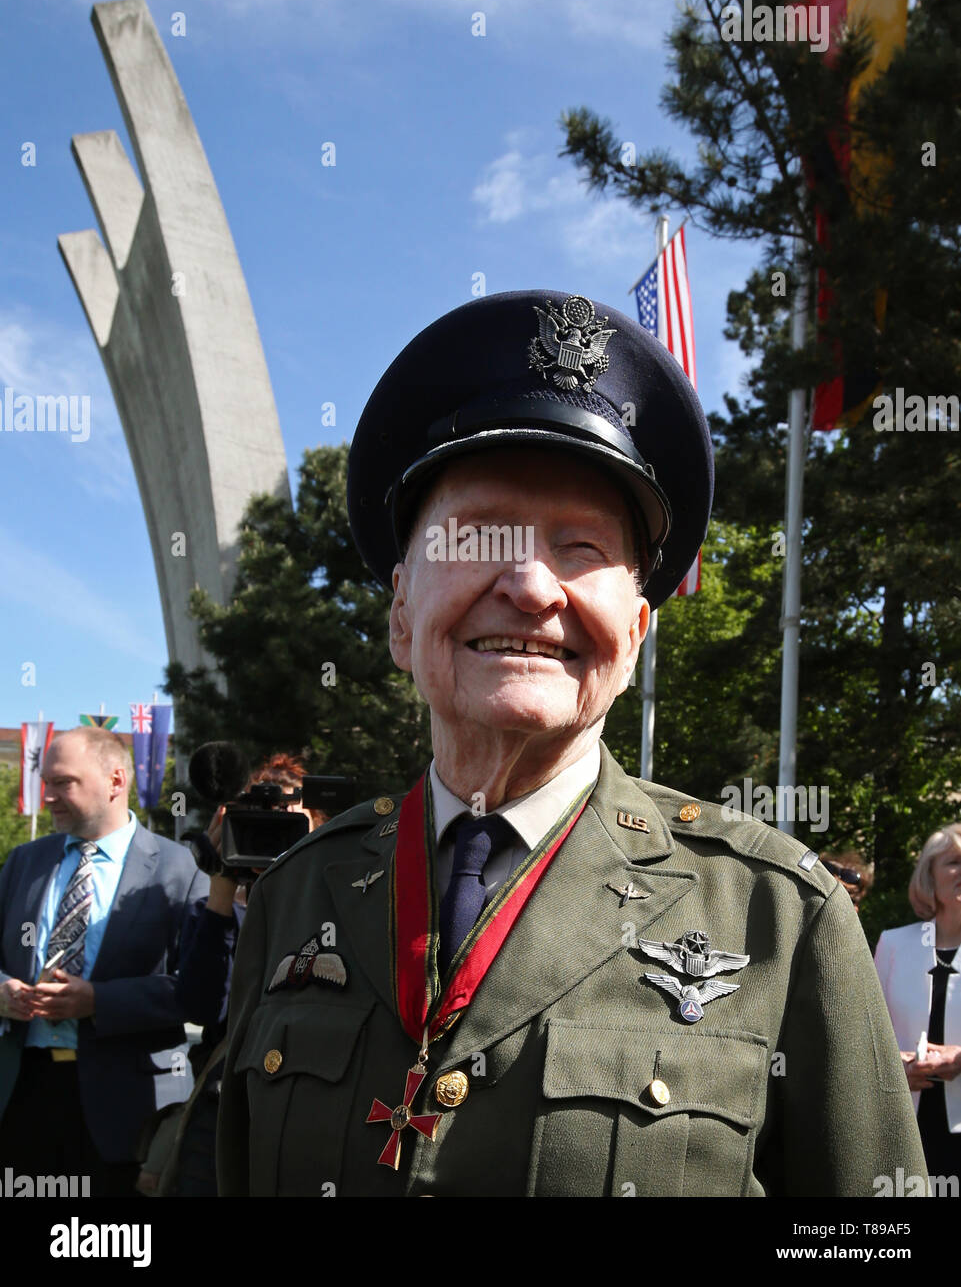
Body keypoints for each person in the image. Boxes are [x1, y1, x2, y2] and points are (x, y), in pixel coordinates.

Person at [218, 289, 926, 1197]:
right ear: (400, 613)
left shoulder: (778, 915)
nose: (529, 584)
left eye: (581, 546)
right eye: (479, 533)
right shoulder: (293, 894)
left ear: (633, 634)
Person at [0, 726, 208, 1195]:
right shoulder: (23, 862)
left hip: (128, 1110)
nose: (47, 795)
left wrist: (99, 1000)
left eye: (63, 782)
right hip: (21, 1093)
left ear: (116, 781)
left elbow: (201, 991)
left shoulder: (180, 870)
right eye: (45, 781)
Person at [139, 753, 325, 1196]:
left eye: (286, 821)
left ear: (317, 827)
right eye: (256, 823)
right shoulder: (219, 914)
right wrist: (221, 888)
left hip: (310, 1112)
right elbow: (201, 1006)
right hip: (223, 1104)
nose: (271, 833)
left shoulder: (339, 900)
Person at [875, 823, 961, 1179]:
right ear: (929, 876)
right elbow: (868, 1031)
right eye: (955, 862)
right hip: (903, 1124)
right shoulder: (894, 944)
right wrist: (895, 1066)